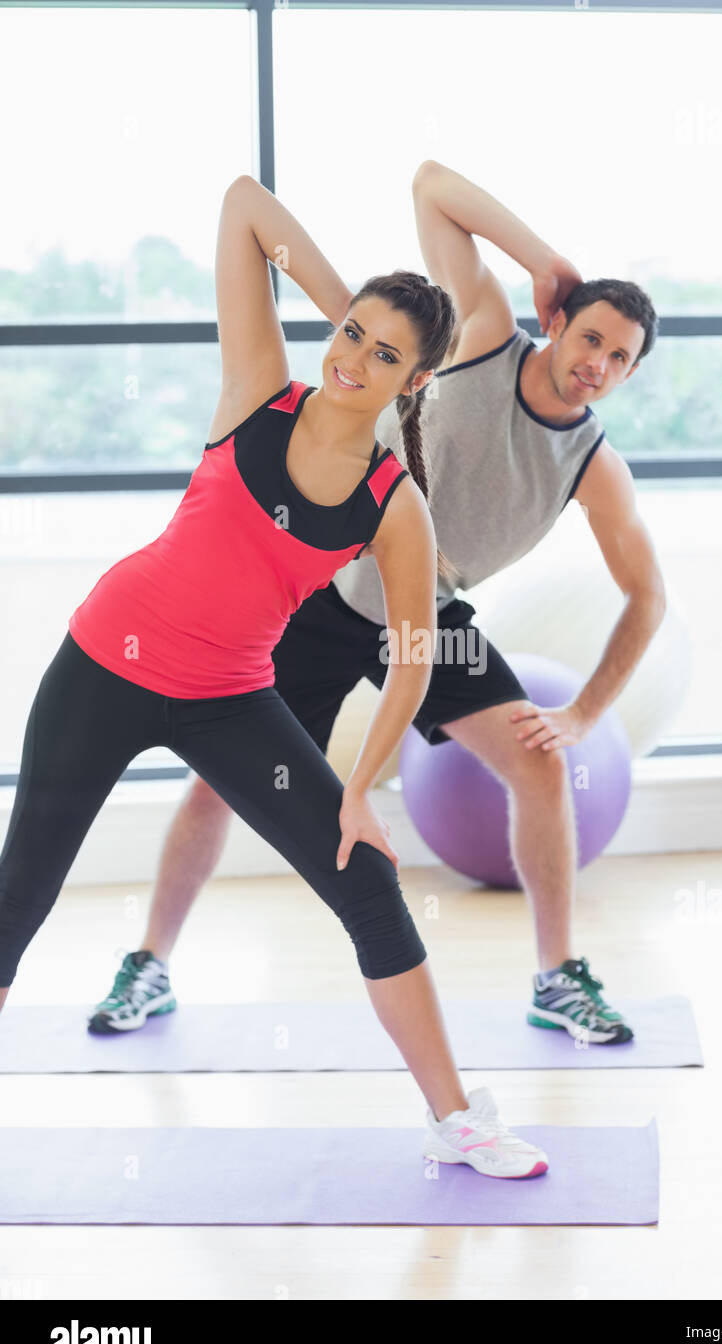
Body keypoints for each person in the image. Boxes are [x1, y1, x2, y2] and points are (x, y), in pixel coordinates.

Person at [0, 174, 549, 1181]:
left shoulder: (394, 507)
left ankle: (454, 1118)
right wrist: (351, 304)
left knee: (369, 884)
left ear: (413, 384)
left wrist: (359, 791)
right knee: (19, 893)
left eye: (385, 356)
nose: (353, 361)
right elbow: (245, 205)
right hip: (106, 662)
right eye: (349, 336)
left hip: (226, 695)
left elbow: (413, 660)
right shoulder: (259, 387)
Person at [93, 160, 667, 1047]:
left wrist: (587, 713)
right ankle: (149, 964)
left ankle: (557, 978)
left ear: (629, 375)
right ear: (560, 322)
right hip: (319, 596)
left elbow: (646, 595)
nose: (597, 363)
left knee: (541, 765)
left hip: (427, 617)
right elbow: (433, 184)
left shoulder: (594, 468)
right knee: (218, 783)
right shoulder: (481, 332)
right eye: (590, 337)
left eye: (619, 357)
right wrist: (543, 256)